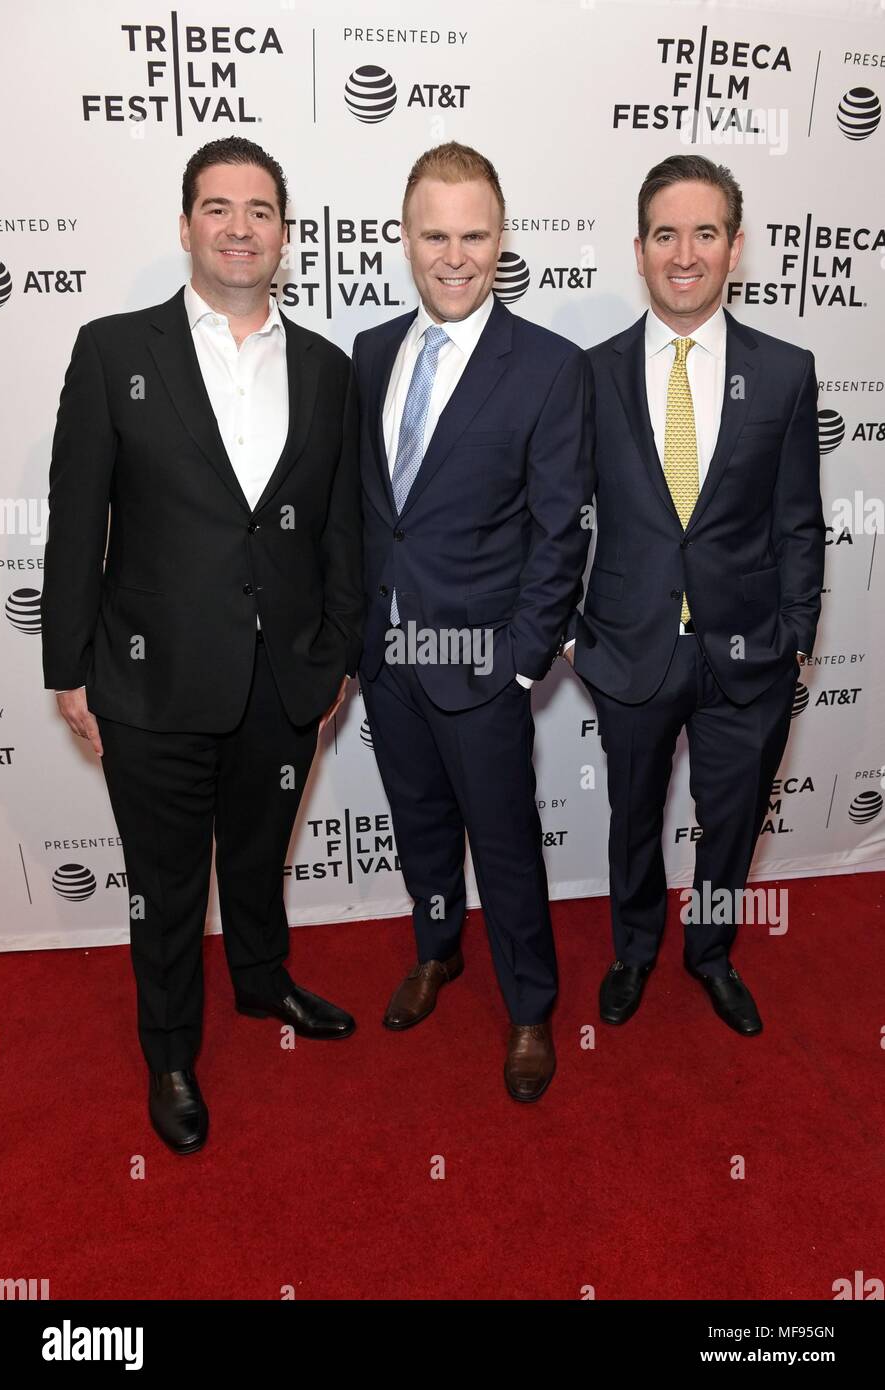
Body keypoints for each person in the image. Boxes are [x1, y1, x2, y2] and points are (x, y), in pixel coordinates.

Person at [41, 137, 363, 1154]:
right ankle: (170, 1050)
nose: (238, 227)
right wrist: (66, 666)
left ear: (283, 232)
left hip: (283, 679)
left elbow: (342, 526)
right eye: (217, 208)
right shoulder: (111, 351)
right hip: (149, 680)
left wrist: (338, 650)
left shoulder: (326, 369)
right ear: (186, 226)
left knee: (260, 858)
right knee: (167, 880)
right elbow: (73, 519)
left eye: (259, 209)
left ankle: (264, 987)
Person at [353, 142, 591, 1101]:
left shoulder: (546, 366)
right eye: (435, 235)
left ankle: (531, 1006)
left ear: (502, 237)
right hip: (388, 652)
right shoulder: (370, 352)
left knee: (503, 842)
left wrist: (521, 664)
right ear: (405, 239)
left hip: (482, 660)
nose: (455, 256)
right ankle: (436, 950)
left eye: (475, 235)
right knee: (418, 825)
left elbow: (560, 531)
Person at [567, 153, 824, 1036]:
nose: (685, 253)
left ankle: (709, 953)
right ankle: (633, 949)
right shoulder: (589, 376)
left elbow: (798, 519)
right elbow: (556, 518)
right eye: (665, 234)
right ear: (637, 250)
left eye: (704, 233)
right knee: (632, 817)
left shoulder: (785, 372)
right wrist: (572, 634)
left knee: (732, 821)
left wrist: (794, 632)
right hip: (630, 647)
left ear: (734, 246)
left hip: (748, 653)